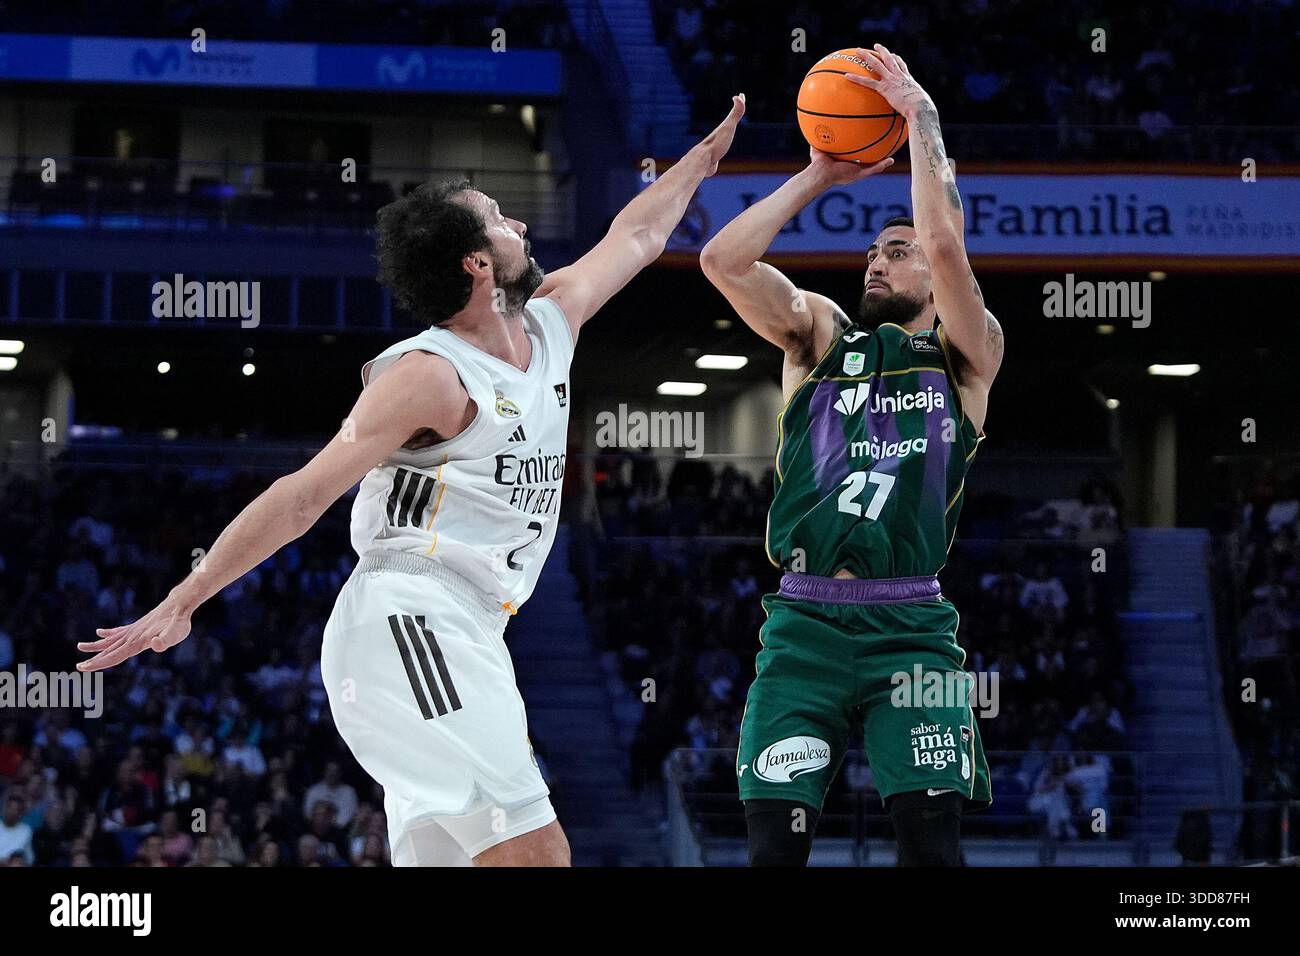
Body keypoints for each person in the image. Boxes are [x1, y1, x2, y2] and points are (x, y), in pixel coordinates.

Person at [78, 96, 747, 868]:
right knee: (536, 852)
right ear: (475, 262)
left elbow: (636, 234)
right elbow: (302, 495)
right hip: (412, 617)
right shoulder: (428, 374)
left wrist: (704, 157)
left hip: (470, 628)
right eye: (499, 216)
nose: (521, 225)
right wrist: (182, 600)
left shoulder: (552, 321)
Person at [700, 45, 1003, 866]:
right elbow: (720, 262)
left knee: (932, 849)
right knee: (773, 851)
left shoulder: (966, 354)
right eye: (873, 251)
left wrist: (919, 118)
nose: (879, 259)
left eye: (896, 251)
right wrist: (818, 177)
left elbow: (947, 248)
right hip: (801, 626)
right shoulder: (822, 337)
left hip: (916, 629)